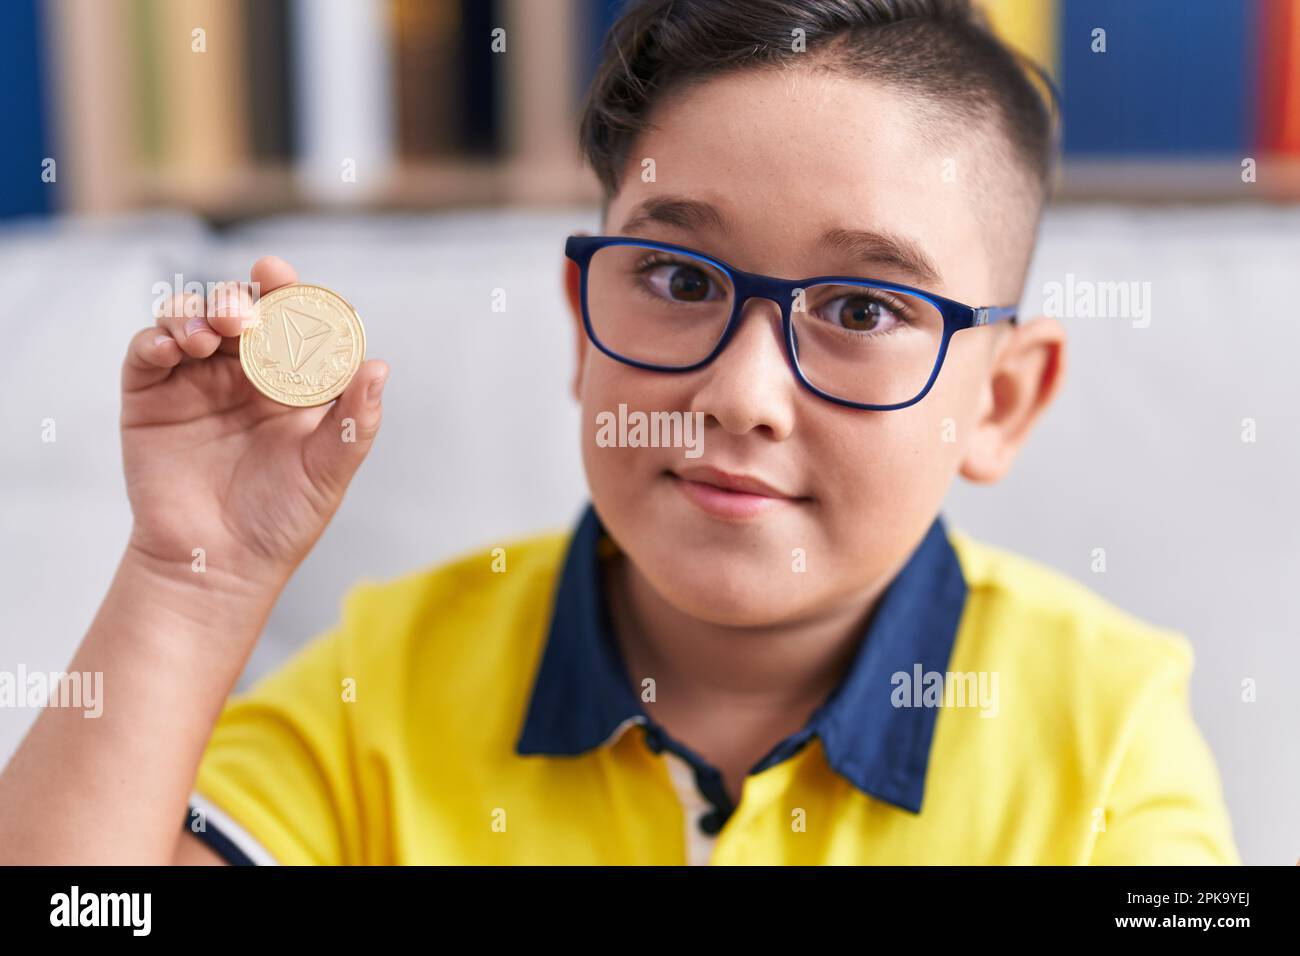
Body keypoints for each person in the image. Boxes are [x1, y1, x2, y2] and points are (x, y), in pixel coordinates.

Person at [0, 0, 1238, 865]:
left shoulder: (1109, 728)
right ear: (583, 320)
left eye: (863, 307)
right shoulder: (387, 678)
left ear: (1003, 399)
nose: (744, 393)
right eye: (683, 280)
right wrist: (187, 582)